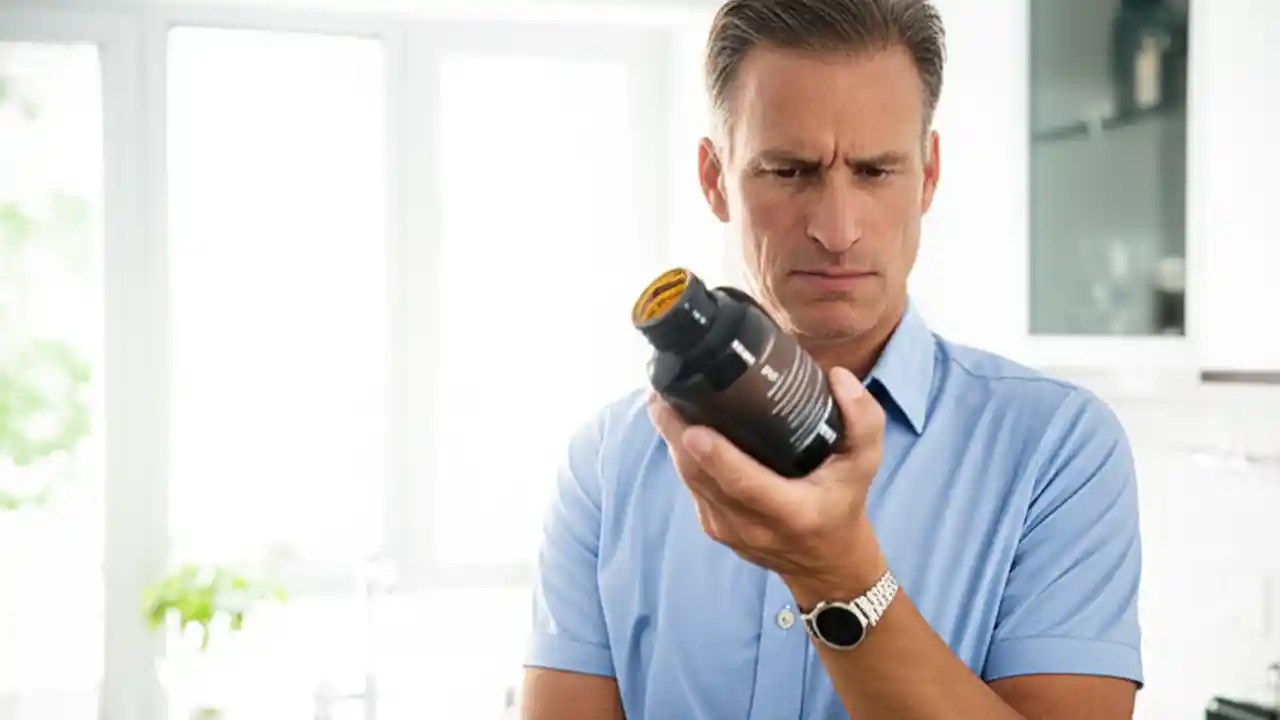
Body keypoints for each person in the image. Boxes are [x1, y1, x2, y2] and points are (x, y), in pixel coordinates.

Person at [521, 0, 1143, 717]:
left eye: (877, 172)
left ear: (929, 175)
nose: (837, 230)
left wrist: (838, 571)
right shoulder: (607, 463)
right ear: (715, 178)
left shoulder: (1058, 450)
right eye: (788, 172)